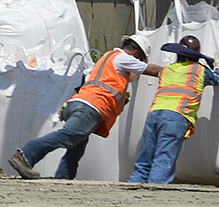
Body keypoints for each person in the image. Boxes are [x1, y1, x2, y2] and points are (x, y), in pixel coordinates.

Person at [9, 37, 161, 180]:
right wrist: (172, 72)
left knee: (78, 144)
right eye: (140, 59)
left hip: (77, 103)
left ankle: (64, 176)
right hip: (91, 107)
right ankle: (24, 155)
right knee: (68, 136)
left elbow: (130, 77)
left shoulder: (107, 59)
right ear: (136, 53)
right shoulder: (123, 58)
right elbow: (151, 69)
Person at [128, 34, 219, 184]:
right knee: (164, 159)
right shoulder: (200, 70)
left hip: (154, 114)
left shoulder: (167, 70)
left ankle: (133, 187)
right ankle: (154, 194)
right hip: (176, 116)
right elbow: (217, 79)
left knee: (144, 159)